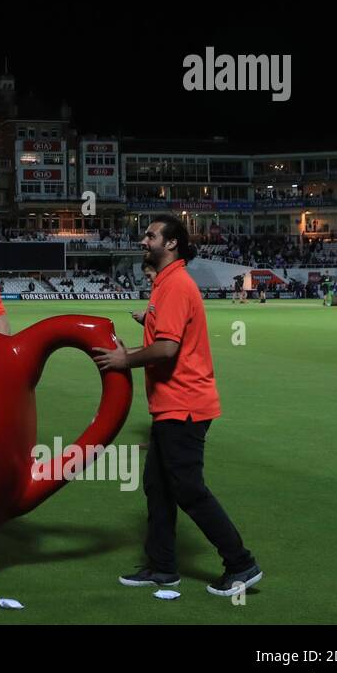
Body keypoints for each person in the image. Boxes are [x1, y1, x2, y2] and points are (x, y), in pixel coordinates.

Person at [92, 214, 261, 598]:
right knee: (159, 486)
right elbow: (163, 340)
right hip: (173, 404)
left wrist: (124, 360)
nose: (142, 240)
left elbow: (167, 350)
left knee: (188, 489)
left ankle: (240, 563)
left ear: (171, 244)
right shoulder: (166, 284)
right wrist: (135, 343)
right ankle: (163, 567)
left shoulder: (175, 285)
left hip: (184, 404)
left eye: (150, 235)